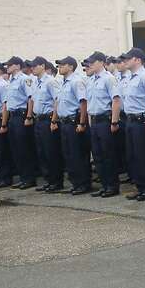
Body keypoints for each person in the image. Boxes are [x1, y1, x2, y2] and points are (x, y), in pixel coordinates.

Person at [119, 48, 145, 201]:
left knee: (143, 157)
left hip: (141, 121)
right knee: (133, 157)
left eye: (128, 59)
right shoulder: (130, 77)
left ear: (137, 60)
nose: (125, 62)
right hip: (130, 120)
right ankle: (140, 187)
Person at [83, 51, 122, 198]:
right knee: (98, 156)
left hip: (105, 120)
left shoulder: (109, 79)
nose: (89, 65)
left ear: (101, 62)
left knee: (108, 155)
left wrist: (114, 121)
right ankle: (105, 185)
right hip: (94, 121)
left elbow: (116, 100)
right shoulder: (91, 80)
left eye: (92, 62)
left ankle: (112, 186)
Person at [53, 56, 91, 195]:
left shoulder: (76, 81)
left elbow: (83, 103)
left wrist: (82, 123)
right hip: (64, 123)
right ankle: (75, 182)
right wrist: (55, 120)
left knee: (78, 154)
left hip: (74, 122)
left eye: (62, 65)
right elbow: (58, 103)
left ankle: (83, 184)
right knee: (68, 154)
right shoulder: (63, 82)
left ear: (70, 66)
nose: (59, 68)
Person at [1, 55, 37, 189]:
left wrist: (28, 116)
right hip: (13, 117)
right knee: (16, 149)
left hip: (21, 115)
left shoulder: (24, 79)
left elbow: (30, 98)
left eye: (9, 65)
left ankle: (29, 178)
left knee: (24, 148)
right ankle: (23, 177)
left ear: (17, 66)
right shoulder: (11, 81)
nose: (7, 68)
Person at [29, 57, 64, 192]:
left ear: (42, 66)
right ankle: (48, 180)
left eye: (34, 66)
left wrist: (54, 120)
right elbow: (32, 100)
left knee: (51, 152)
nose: (32, 69)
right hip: (38, 120)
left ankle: (56, 182)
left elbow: (57, 101)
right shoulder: (35, 82)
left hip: (48, 119)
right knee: (42, 152)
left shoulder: (50, 81)